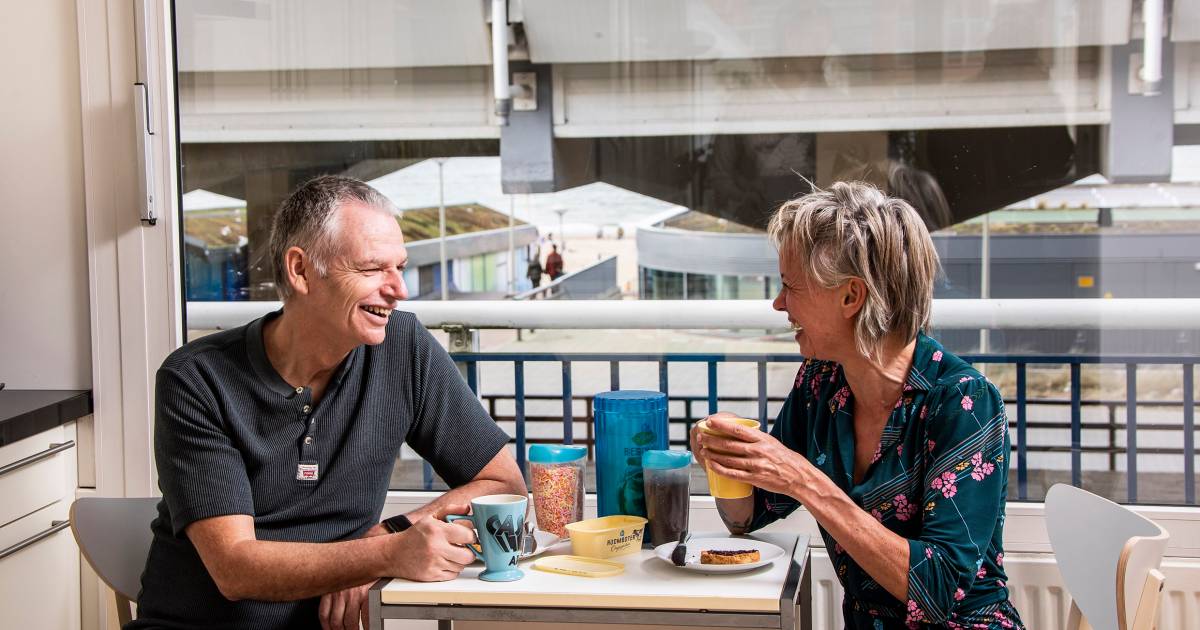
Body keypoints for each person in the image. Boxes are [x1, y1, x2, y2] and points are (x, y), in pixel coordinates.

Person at [130, 176, 526, 630]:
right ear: (300, 271)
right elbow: (235, 568)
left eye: (400, 266)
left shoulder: (403, 346)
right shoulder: (197, 379)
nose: (399, 289)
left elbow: (502, 483)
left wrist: (388, 535)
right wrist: (385, 555)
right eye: (373, 268)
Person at [691, 182, 1023, 629]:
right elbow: (749, 517)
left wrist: (806, 481)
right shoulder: (821, 383)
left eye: (791, 286)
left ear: (851, 296)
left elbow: (938, 589)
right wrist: (726, 457)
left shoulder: (964, 402)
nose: (779, 303)